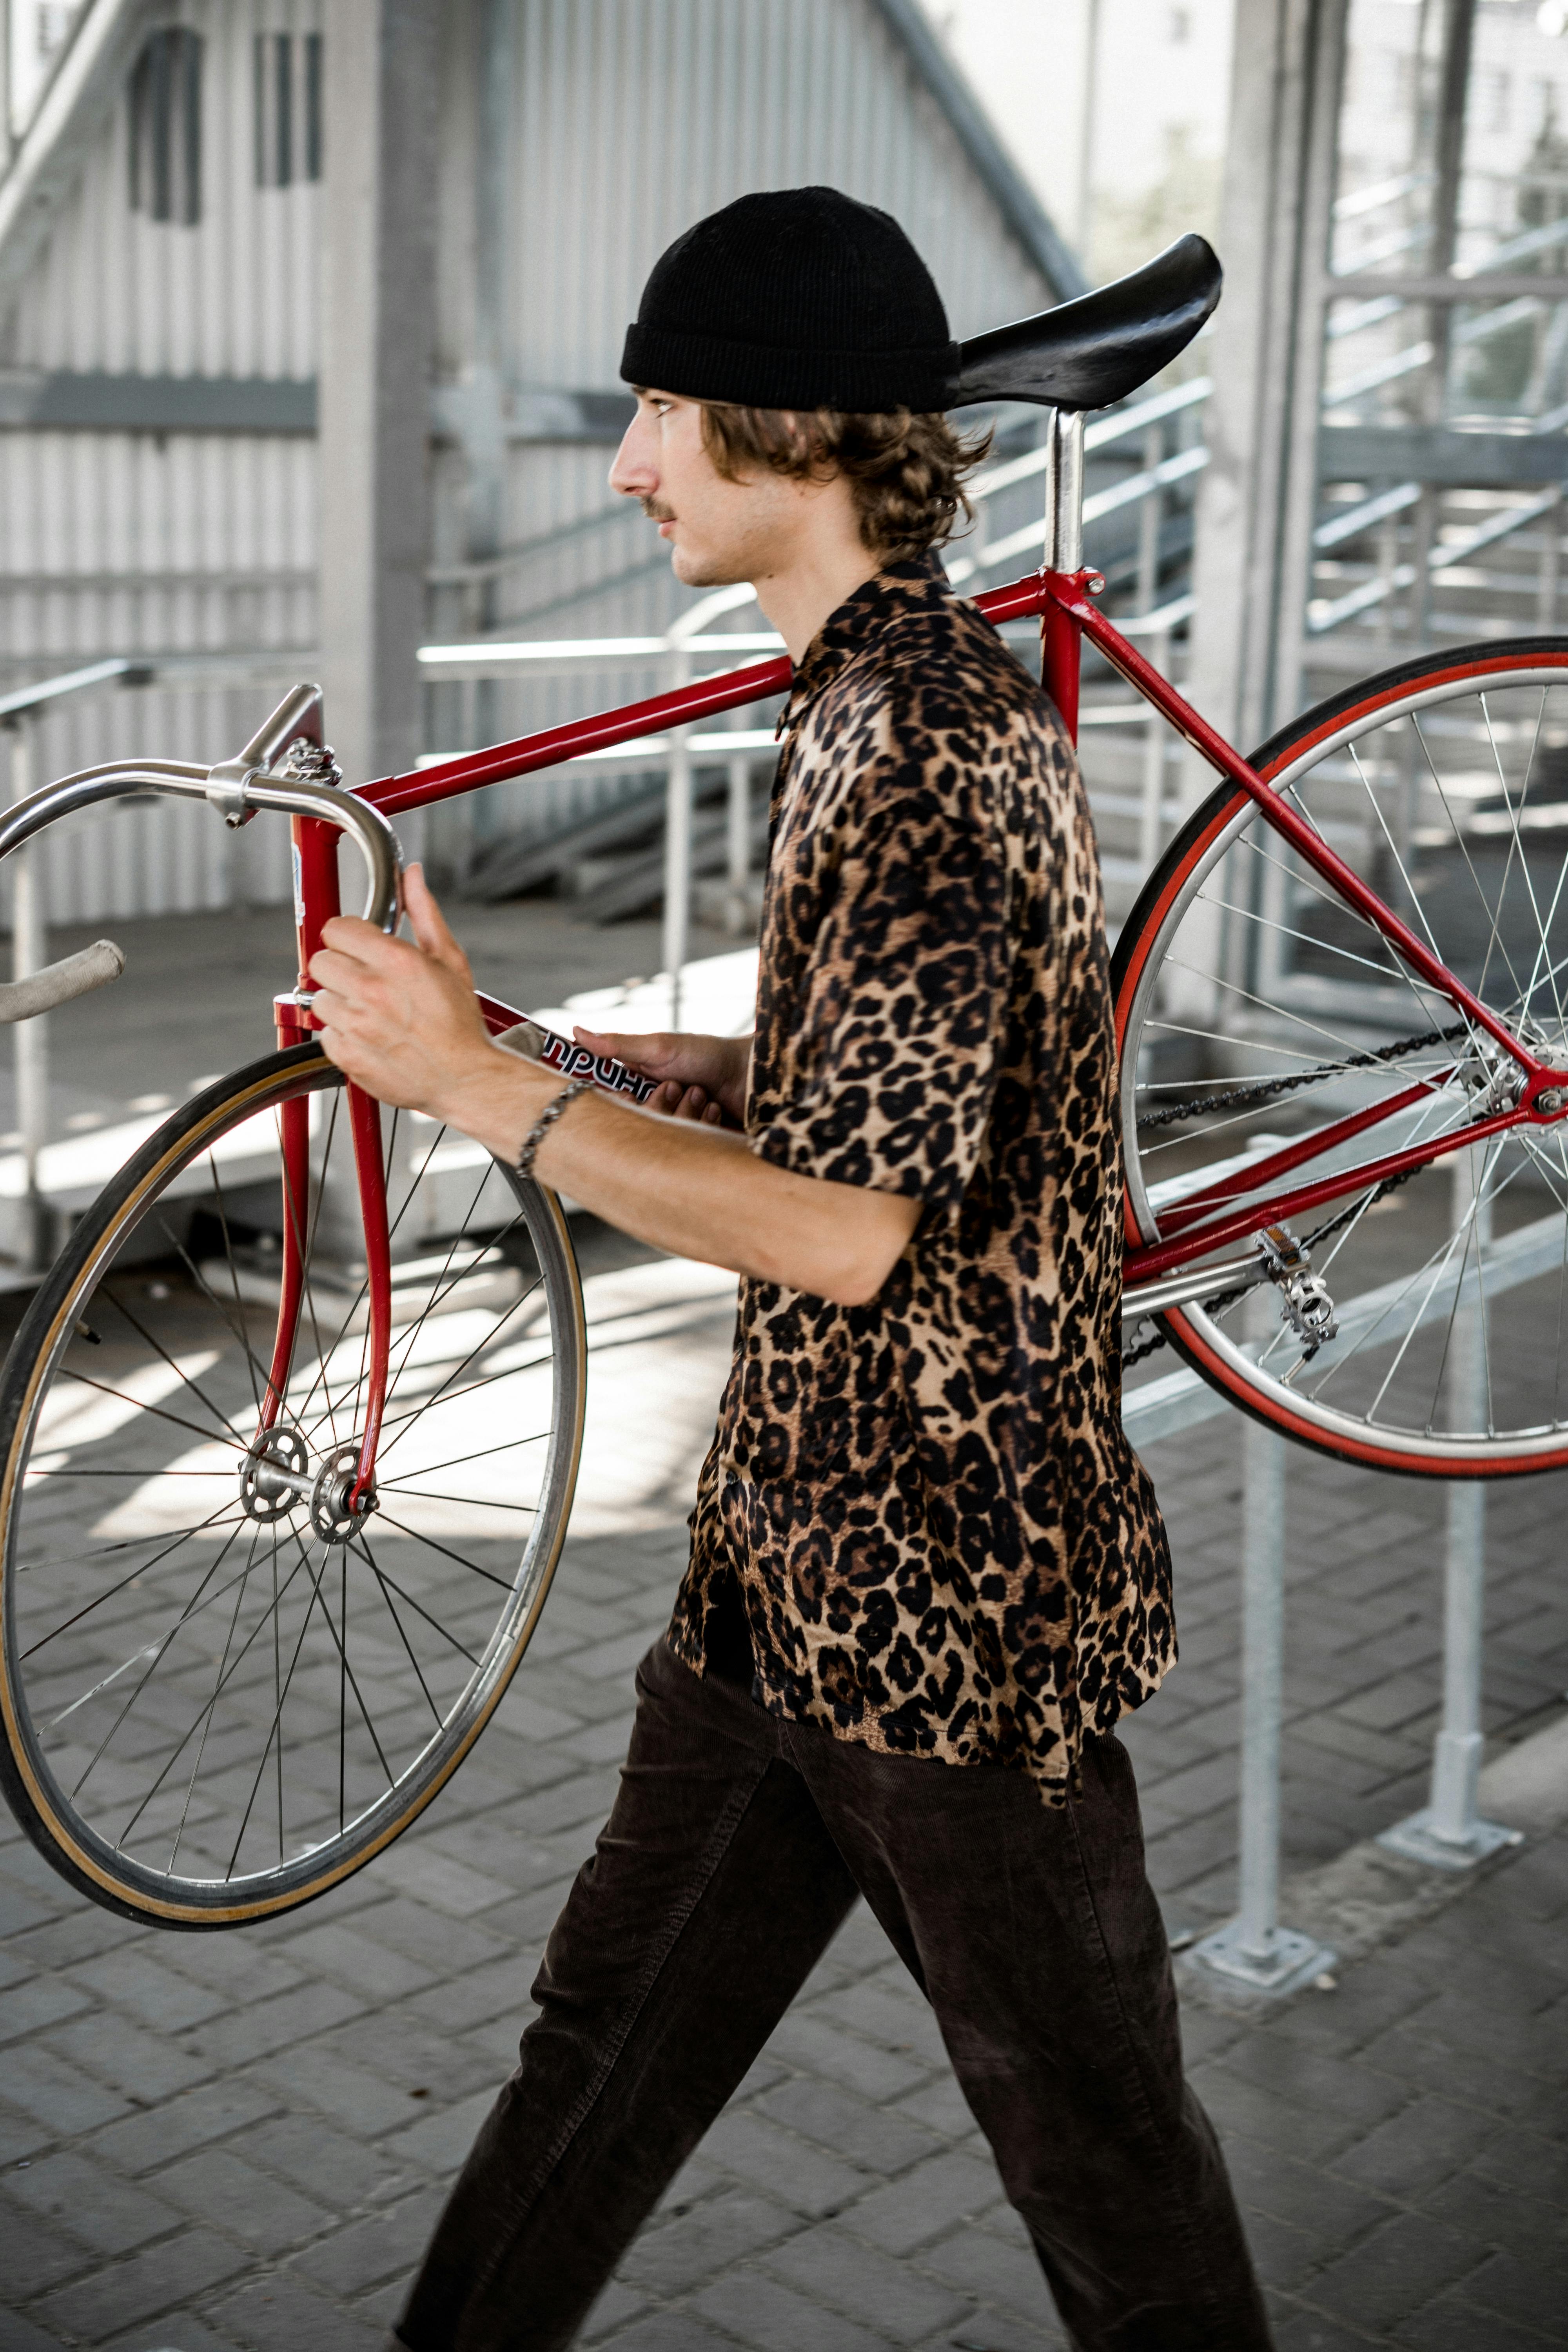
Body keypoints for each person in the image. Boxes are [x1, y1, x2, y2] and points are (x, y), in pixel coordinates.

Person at [311, 187, 1271, 2352]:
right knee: (592, 2075)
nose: (632, 462)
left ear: (788, 430)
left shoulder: (918, 737)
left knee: (1103, 2158)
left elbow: (851, 1234)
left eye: (660, 406)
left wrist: (475, 1085)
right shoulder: (867, 699)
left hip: (945, 1604)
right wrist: (688, 1066)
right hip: (785, 1577)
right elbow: (918, 1099)